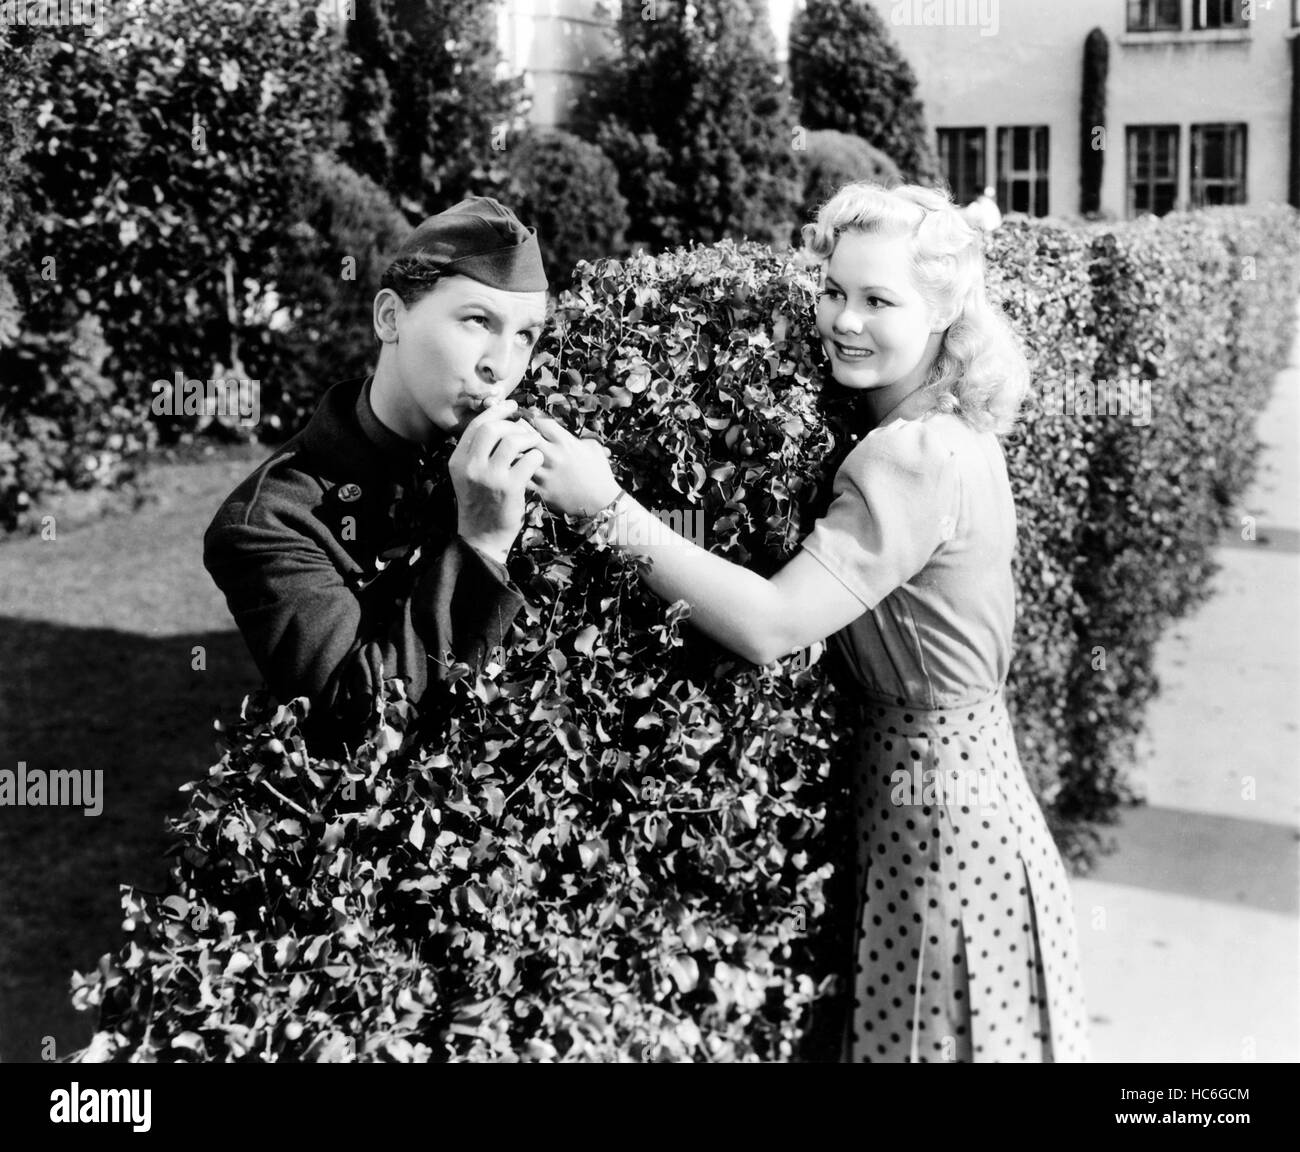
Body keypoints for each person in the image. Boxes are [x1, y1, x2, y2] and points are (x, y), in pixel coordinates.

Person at [527, 182, 1089, 1063]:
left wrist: (608, 511)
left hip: (940, 819)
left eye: (879, 300)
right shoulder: (947, 426)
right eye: (833, 290)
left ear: (943, 312)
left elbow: (773, 623)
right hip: (962, 793)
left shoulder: (911, 455)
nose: (844, 320)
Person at [204, 197, 550, 748]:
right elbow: (358, 722)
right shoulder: (268, 522)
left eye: (526, 335)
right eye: (477, 320)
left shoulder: (535, 454)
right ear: (390, 317)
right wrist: (481, 545)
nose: (502, 365)